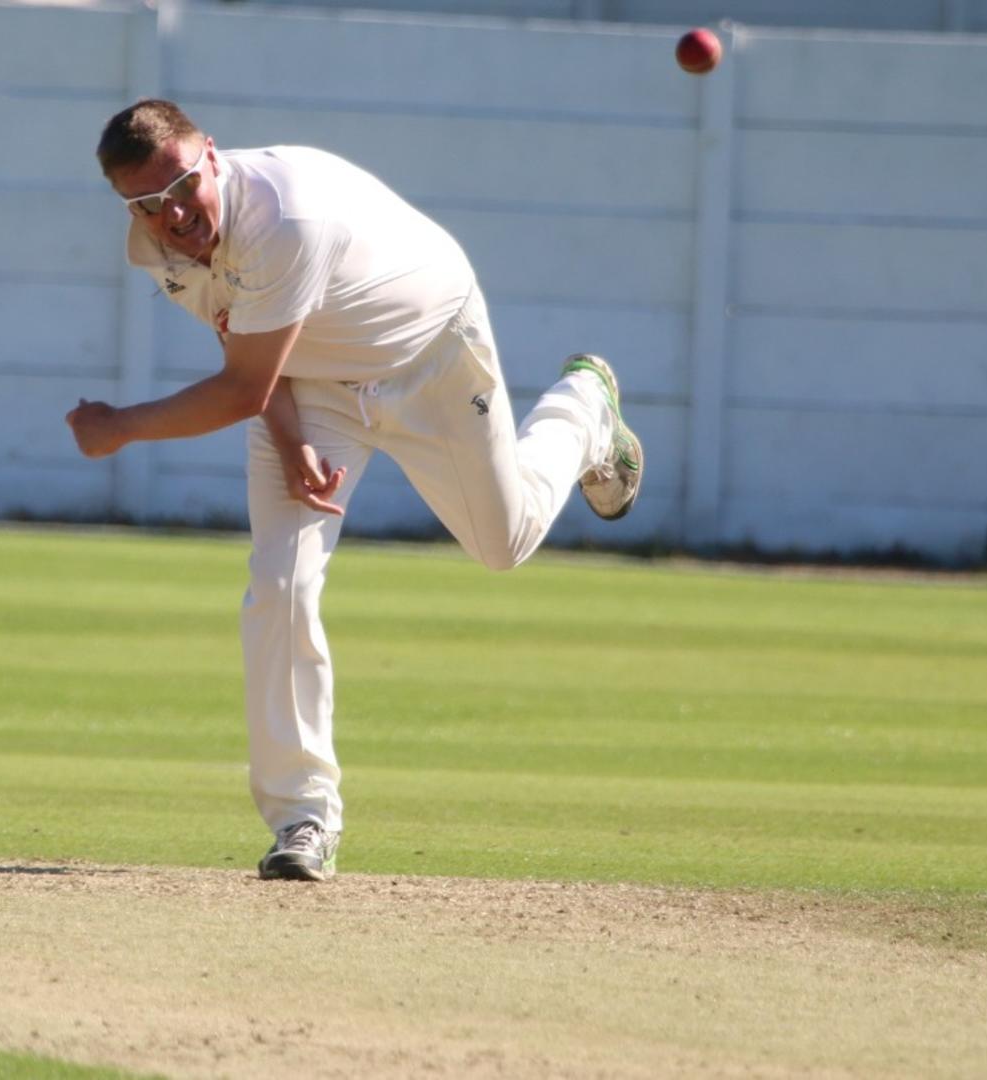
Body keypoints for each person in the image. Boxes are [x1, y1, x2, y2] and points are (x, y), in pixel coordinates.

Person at [67, 100, 641, 882]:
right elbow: (247, 349)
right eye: (145, 205)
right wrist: (294, 436)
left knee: (502, 546)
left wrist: (122, 425)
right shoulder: (160, 248)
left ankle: (581, 410)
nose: (171, 215)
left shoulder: (284, 215)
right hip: (312, 386)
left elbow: (237, 387)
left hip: (431, 357)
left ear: (212, 156)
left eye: (181, 188)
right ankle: (303, 820)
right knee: (280, 586)